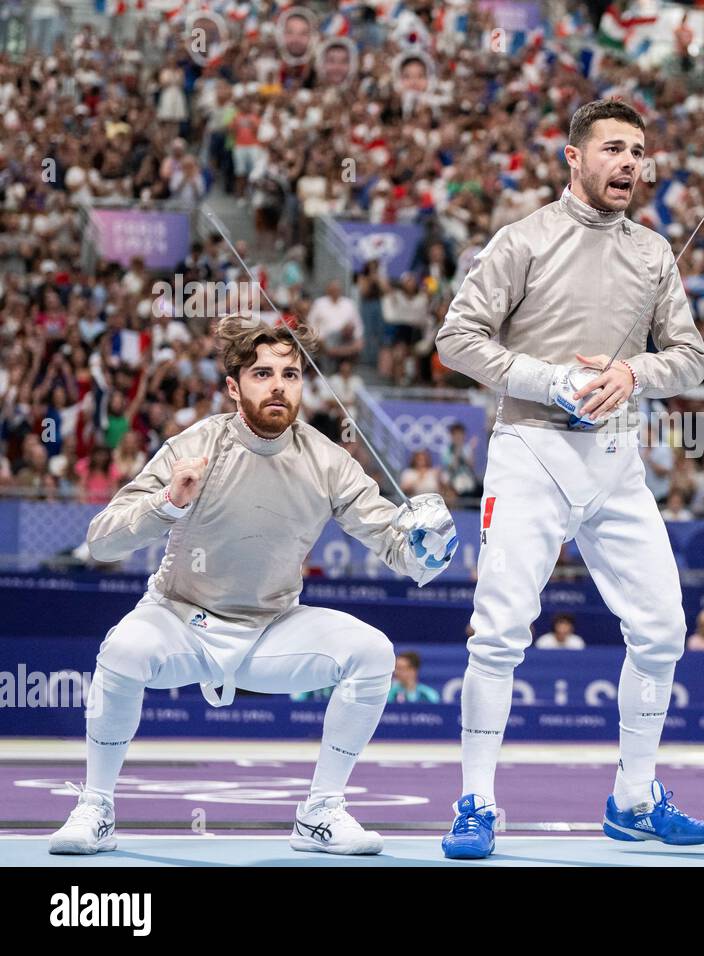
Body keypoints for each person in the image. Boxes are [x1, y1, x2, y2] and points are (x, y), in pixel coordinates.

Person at [48, 317, 458, 856]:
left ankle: (320, 812)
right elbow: (101, 541)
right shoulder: (195, 445)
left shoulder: (329, 461)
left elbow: (402, 552)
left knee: (372, 651)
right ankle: (96, 806)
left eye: (290, 373)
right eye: (262, 373)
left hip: (270, 629)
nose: (279, 385)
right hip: (181, 618)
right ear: (234, 387)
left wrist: (432, 546)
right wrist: (168, 502)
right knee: (122, 650)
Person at [434, 98, 704, 859]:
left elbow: (691, 357)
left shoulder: (655, 252)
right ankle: (475, 801)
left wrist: (633, 371)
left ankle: (634, 798)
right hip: (530, 449)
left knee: (662, 629)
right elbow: (456, 338)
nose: (630, 163)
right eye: (614, 149)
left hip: (617, 461)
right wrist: (546, 378)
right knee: (498, 631)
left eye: (638, 152)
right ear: (573, 156)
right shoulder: (523, 239)